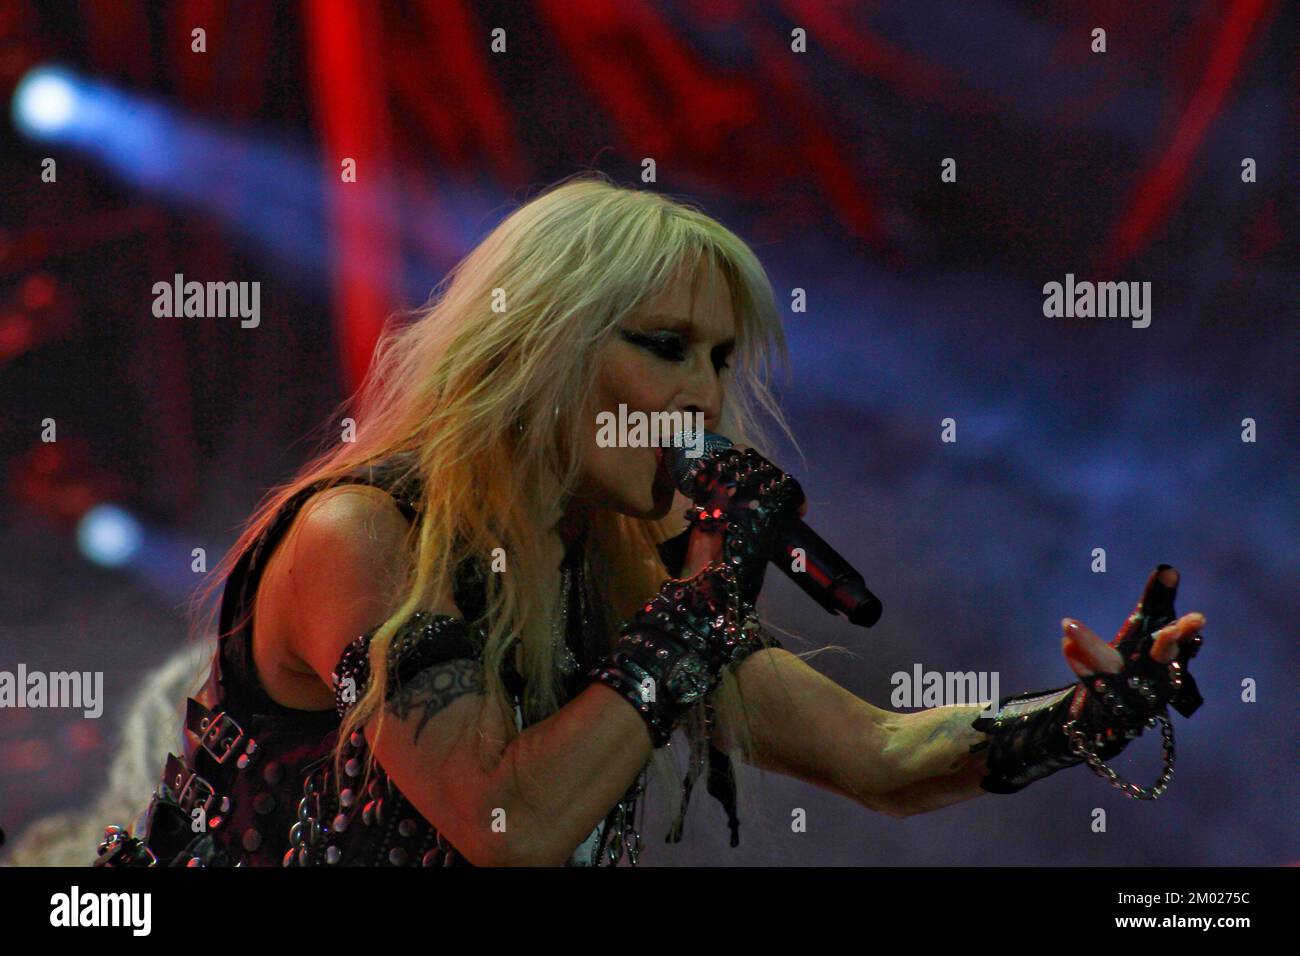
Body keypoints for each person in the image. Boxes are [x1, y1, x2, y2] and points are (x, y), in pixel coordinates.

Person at [90, 173, 1205, 868]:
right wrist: (703, 604)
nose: (703, 398)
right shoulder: (363, 536)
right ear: (540, 351)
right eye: (664, 347)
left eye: (719, 360)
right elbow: (505, 827)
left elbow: (883, 756)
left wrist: (1093, 711)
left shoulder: (618, 578)